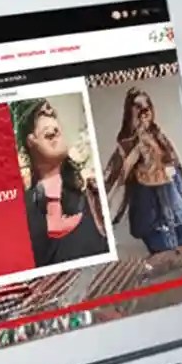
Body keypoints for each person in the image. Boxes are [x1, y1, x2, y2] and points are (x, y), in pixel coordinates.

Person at [102, 87, 182, 263]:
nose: (144, 110)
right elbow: (120, 174)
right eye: (137, 106)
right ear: (129, 112)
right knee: (165, 257)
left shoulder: (160, 136)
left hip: (177, 200)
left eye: (147, 105)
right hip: (151, 206)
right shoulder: (126, 144)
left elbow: (175, 163)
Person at [16, 99, 108, 267]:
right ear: (30, 141)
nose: (48, 115)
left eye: (51, 113)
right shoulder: (23, 211)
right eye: (41, 115)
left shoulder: (89, 192)